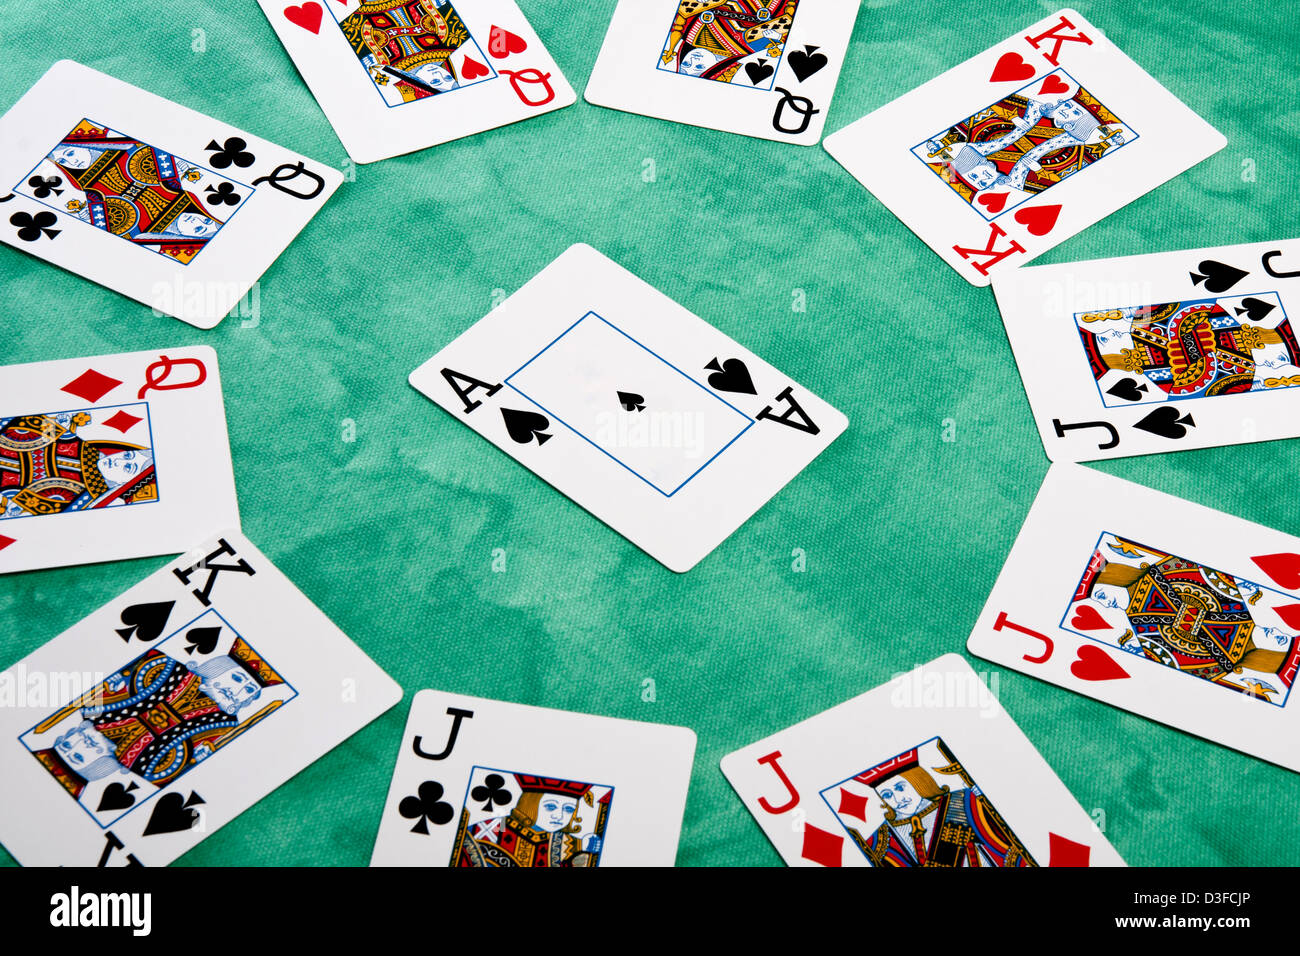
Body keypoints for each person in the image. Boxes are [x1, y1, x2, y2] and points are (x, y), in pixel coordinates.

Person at [851, 747, 1035, 867]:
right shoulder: (881, 840)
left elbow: (1007, 850)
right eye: (887, 795)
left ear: (919, 781)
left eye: (900, 787)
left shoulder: (964, 803)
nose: (898, 799)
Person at [453, 774, 607, 867]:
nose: (559, 816)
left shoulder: (563, 842)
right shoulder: (500, 826)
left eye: (568, 810)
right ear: (530, 804)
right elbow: (467, 841)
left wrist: (583, 850)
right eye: (551, 806)